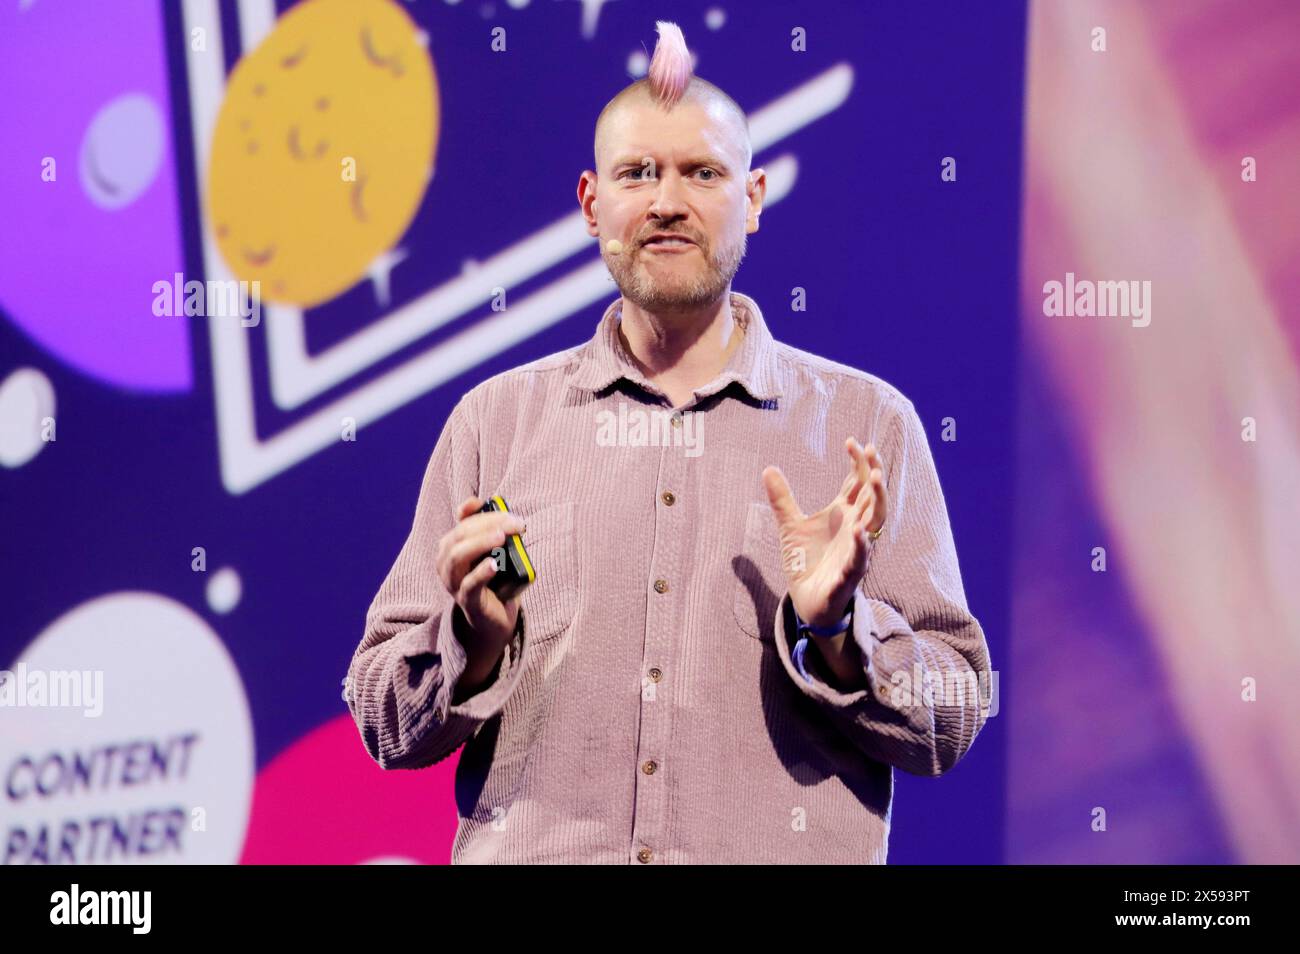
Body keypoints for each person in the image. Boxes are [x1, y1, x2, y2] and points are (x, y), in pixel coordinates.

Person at [345, 21, 991, 864]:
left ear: (753, 199)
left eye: (703, 173)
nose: (666, 202)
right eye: (638, 173)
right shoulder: (493, 423)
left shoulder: (866, 427)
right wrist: (474, 643)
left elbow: (952, 717)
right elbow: (383, 720)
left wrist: (839, 630)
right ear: (591, 204)